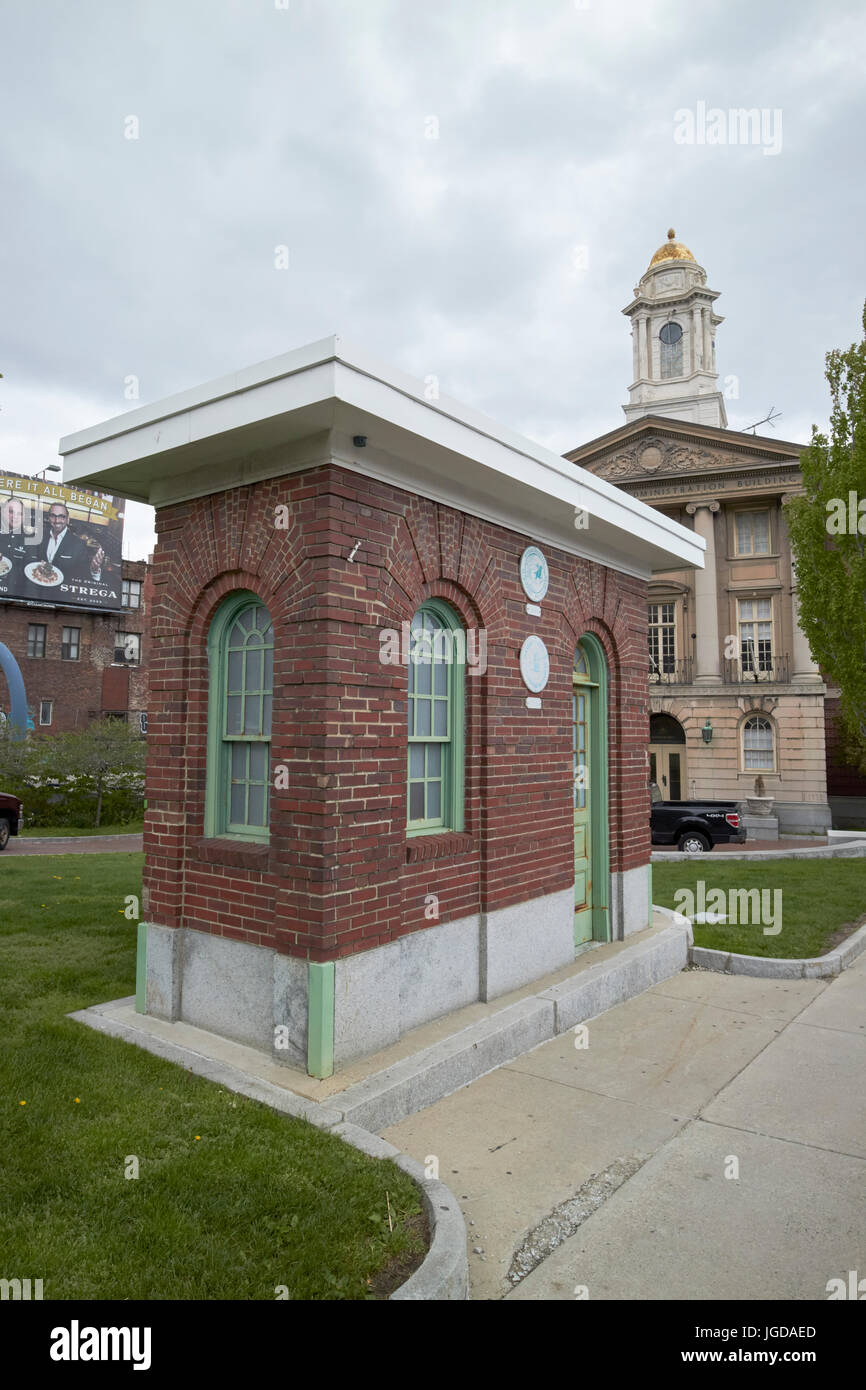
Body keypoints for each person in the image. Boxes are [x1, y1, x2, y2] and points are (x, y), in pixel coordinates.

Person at [34, 502, 107, 583]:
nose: (57, 520)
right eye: (53, 516)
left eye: (62, 516)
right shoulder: (39, 537)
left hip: (62, 593)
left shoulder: (79, 544)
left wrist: (94, 569)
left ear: (68, 519)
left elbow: (83, 574)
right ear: (49, 517)